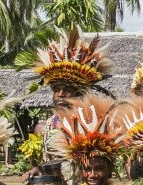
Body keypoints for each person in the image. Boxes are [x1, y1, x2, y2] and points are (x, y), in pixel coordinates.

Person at [30, 27, 111, 171]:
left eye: (67, 90)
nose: (60, 94)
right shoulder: (42, 128)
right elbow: (40, 165)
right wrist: (35, 170)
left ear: (79, 94)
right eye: (56, 90)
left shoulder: (91, 126)